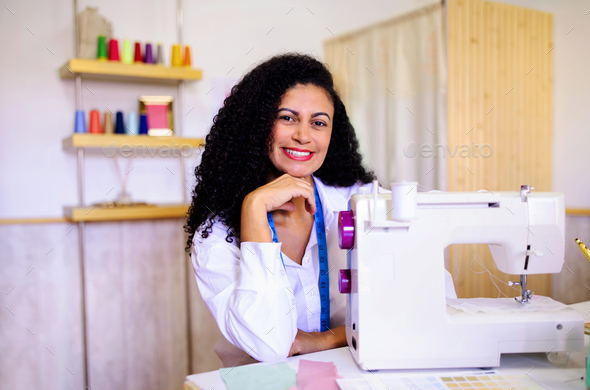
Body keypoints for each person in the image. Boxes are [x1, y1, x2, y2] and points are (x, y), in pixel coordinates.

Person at [184, 53, 377, 366]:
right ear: (259, 124)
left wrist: (323, 340)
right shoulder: (216, 235)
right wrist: (254, 209)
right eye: (287, 118)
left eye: (318, 122)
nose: (303, 135)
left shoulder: (359, 200)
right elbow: (271, 346)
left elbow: (404, 306)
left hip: (350, 372)